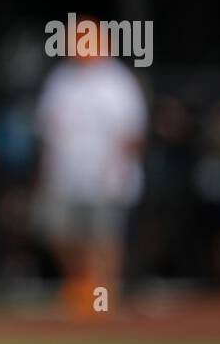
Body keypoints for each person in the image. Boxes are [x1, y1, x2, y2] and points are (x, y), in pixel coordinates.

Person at [34, 17, 147, 316]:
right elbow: (47, 128)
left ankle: (102, 297)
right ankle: (80, 286)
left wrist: (118, 170)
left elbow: (132, 132)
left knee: (103, 239)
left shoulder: (117, 81)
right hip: (66, 176)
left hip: (106, 176)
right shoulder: (61, 80)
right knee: (61, 233)